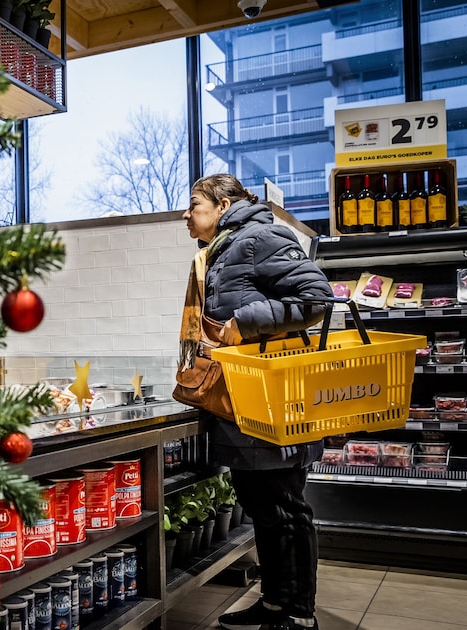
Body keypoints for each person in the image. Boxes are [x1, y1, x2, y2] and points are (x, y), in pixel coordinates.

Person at [178, 174, 332, 630]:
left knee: (286, 508)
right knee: (263, 508)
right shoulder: (224, 248)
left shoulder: (260, 236)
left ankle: (300, 615)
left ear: (223, 205)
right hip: (244, 401)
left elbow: (317, 297)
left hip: (274, 402)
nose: (186, 215)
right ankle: (272, 604)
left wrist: (244, 323)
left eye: (194, 204)